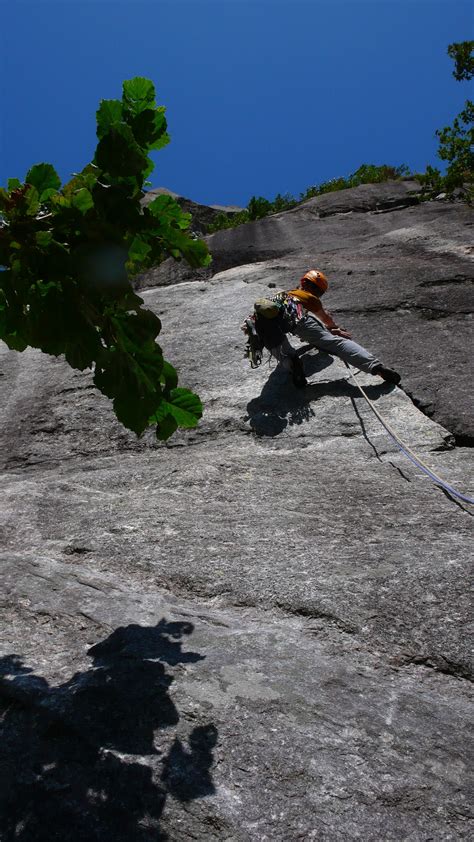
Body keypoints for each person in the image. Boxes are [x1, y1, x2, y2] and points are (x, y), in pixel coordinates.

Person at [266, 268, 401, 387]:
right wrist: (333, 330)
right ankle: (377, 368)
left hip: (264, 321)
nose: (318, 295)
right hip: (297, 320)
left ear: (303, 282)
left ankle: (292, 362)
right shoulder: (310, 298)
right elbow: (326, 319)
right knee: (337, 344)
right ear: (317, 290)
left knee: (279, 348)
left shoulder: (285, 295)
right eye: (319, 292)